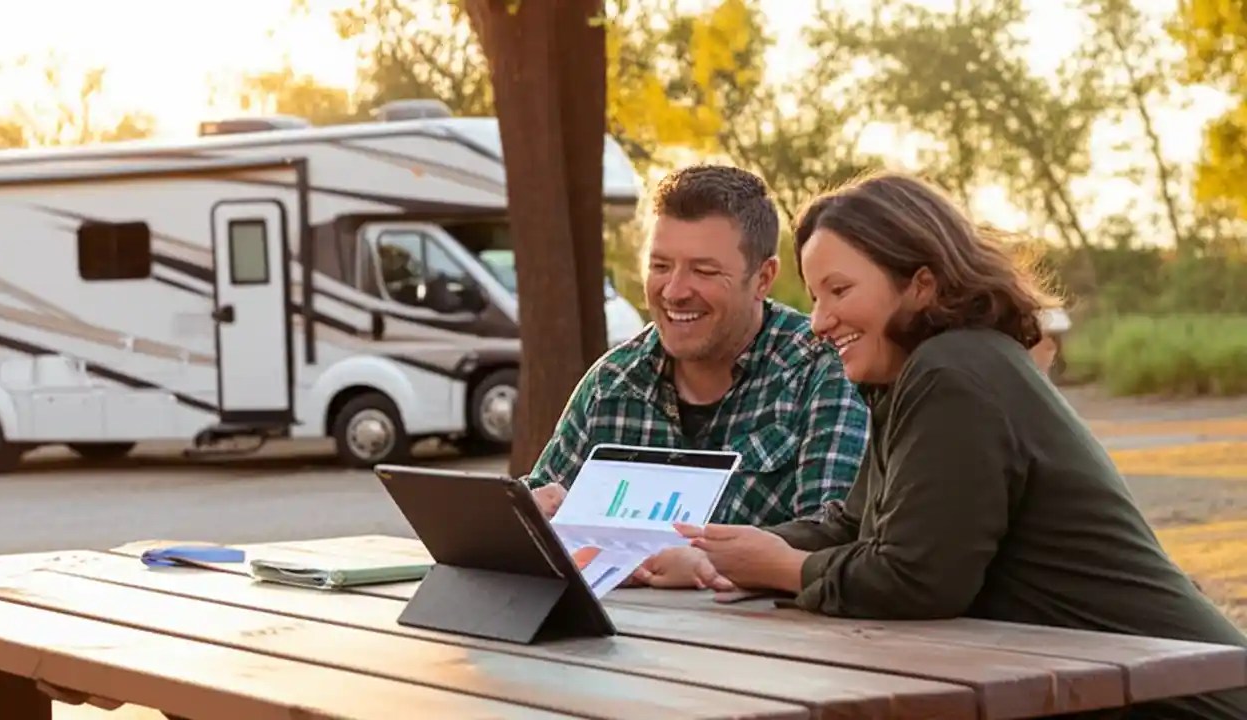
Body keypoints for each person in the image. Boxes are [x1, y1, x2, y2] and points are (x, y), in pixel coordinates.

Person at [669, 171, 1247, 718]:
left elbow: (917, 580)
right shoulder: (913, 379)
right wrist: (715, 555)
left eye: (839, 290)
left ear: (921, 284)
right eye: (815, 297)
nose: (818, 322)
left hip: (1179, 698)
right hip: (1094, 689)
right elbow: (853, 525)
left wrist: (789, 568)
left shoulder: (955, 372)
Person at [524, 164, 870, 585]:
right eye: (661, 266)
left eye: (703, 271)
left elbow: (836, 537)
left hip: (765, 641)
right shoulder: (610, 383)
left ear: (763, 278)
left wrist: (709, 561)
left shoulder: (822, 371)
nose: (674, 291)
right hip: (610, 642)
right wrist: (531, 510)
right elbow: (532, 507)